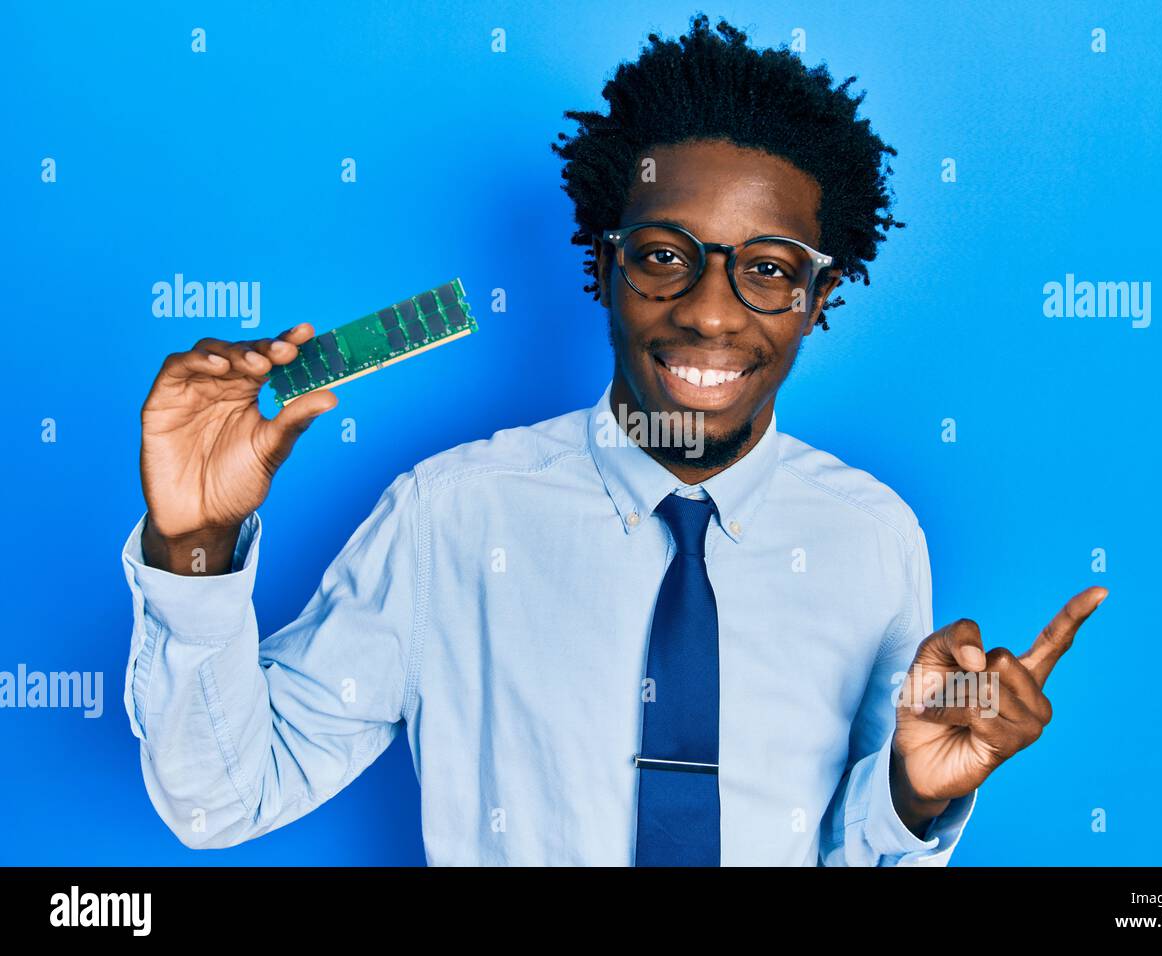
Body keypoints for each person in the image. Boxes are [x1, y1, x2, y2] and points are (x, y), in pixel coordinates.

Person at [121, 14, 1105, 866]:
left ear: (819, 298)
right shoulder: (451, 517)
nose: (711, 313)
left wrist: (910, 792)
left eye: (766, 269)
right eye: (666, 256)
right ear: (604, 267)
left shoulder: (870, 535)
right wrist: (192, 550)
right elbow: (219, 798)